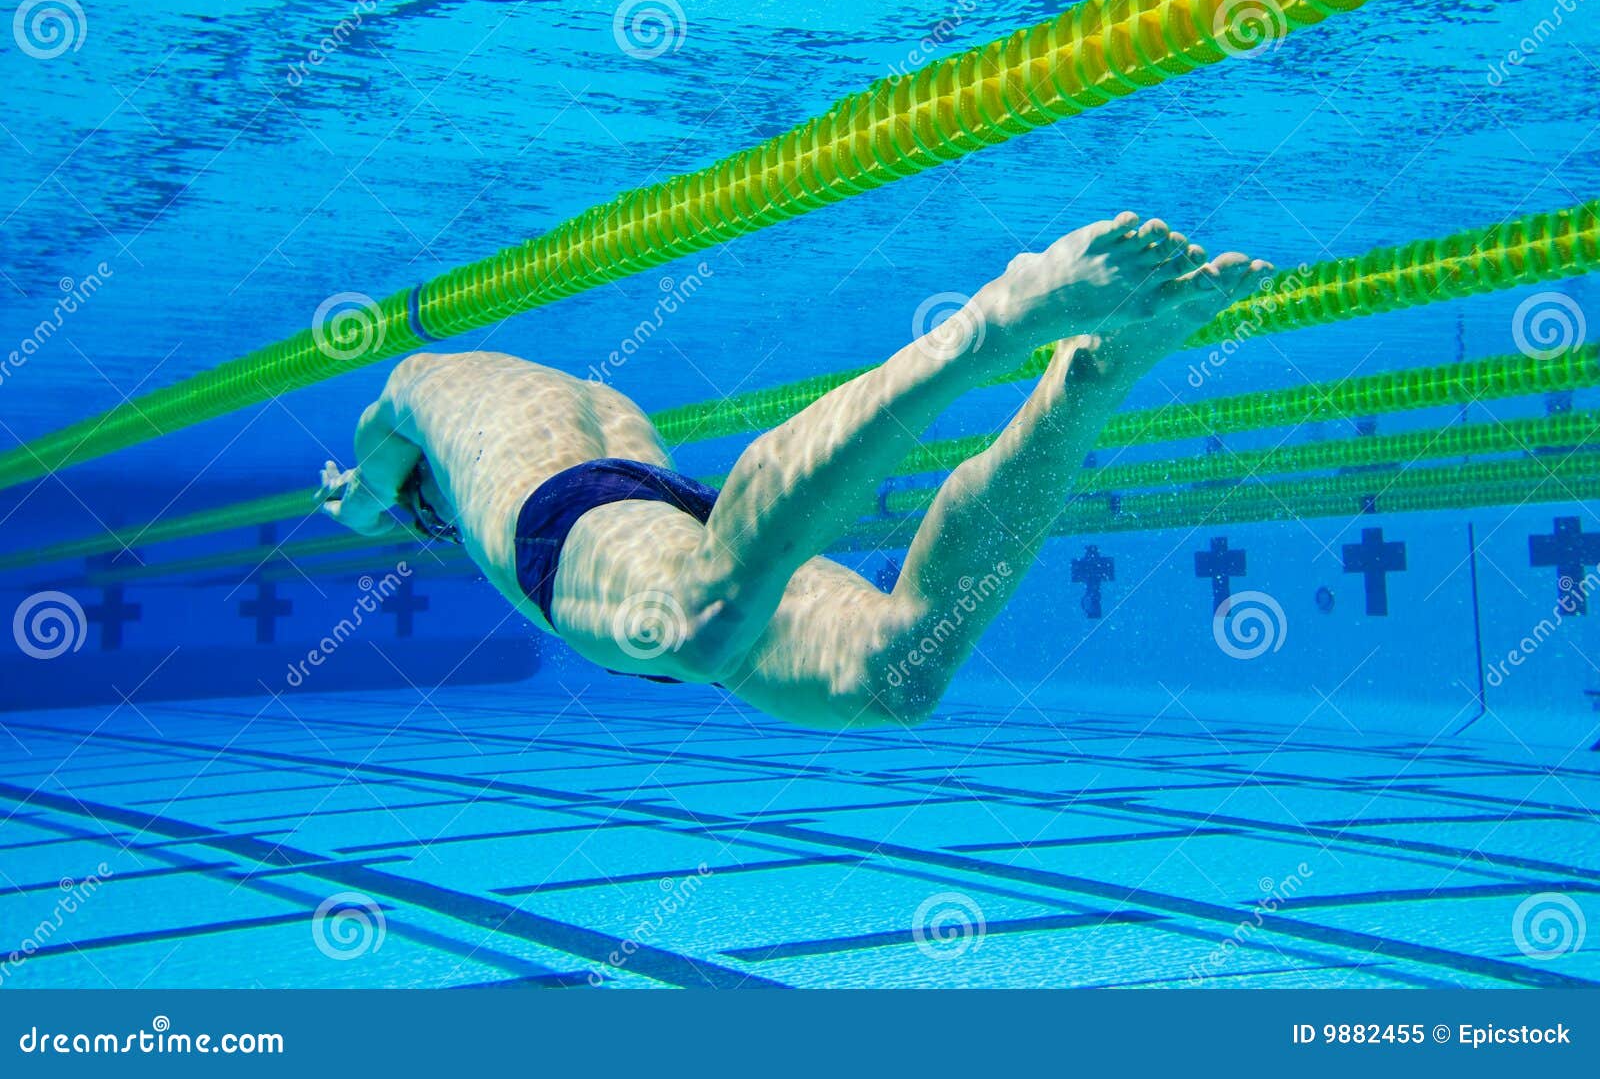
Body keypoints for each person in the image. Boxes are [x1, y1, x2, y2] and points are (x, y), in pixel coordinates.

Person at [316, 212, 1267, 727]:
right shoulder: (524, 397)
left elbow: (369, 488)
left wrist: (357, 504)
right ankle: (1088, 381)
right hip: (662, 506)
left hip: (572, 518)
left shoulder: (416, 386)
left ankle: (991, 324)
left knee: (692, 628)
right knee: (896, 675)